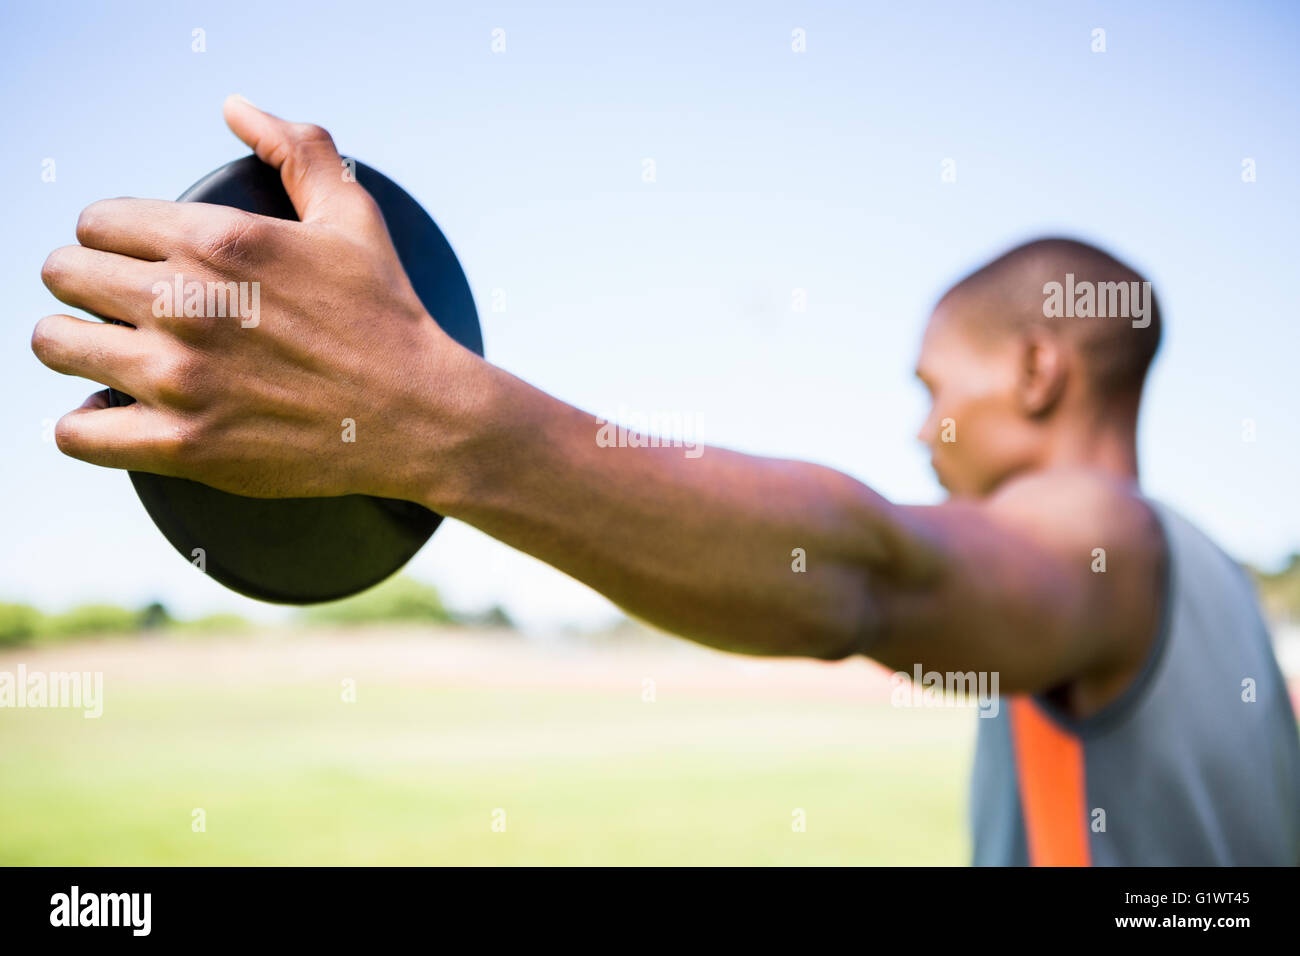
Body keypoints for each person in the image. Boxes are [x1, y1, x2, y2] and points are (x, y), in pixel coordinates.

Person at [31, 97, 1300, 865]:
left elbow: (866, 575)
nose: (922, 433)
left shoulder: (1101, 545)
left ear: (1034, 371)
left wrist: (435, 422)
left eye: (933, 388)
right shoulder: (1213, 587)